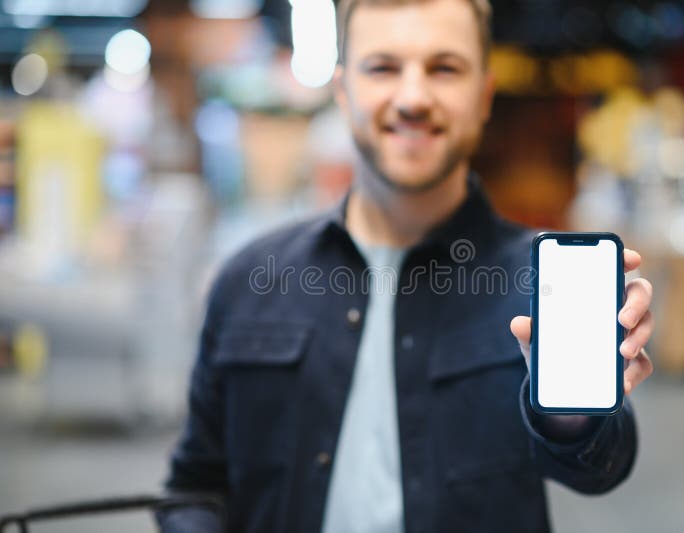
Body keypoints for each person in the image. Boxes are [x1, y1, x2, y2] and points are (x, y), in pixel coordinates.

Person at [159, 0, 655, 531]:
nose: (413, 98)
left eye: (445, 68)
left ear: (484, 95)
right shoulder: (249, 283)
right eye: (383, 67)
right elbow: (195, 487)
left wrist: (571, 411)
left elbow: (601, 467)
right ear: (344, 92)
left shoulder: (539, 284)